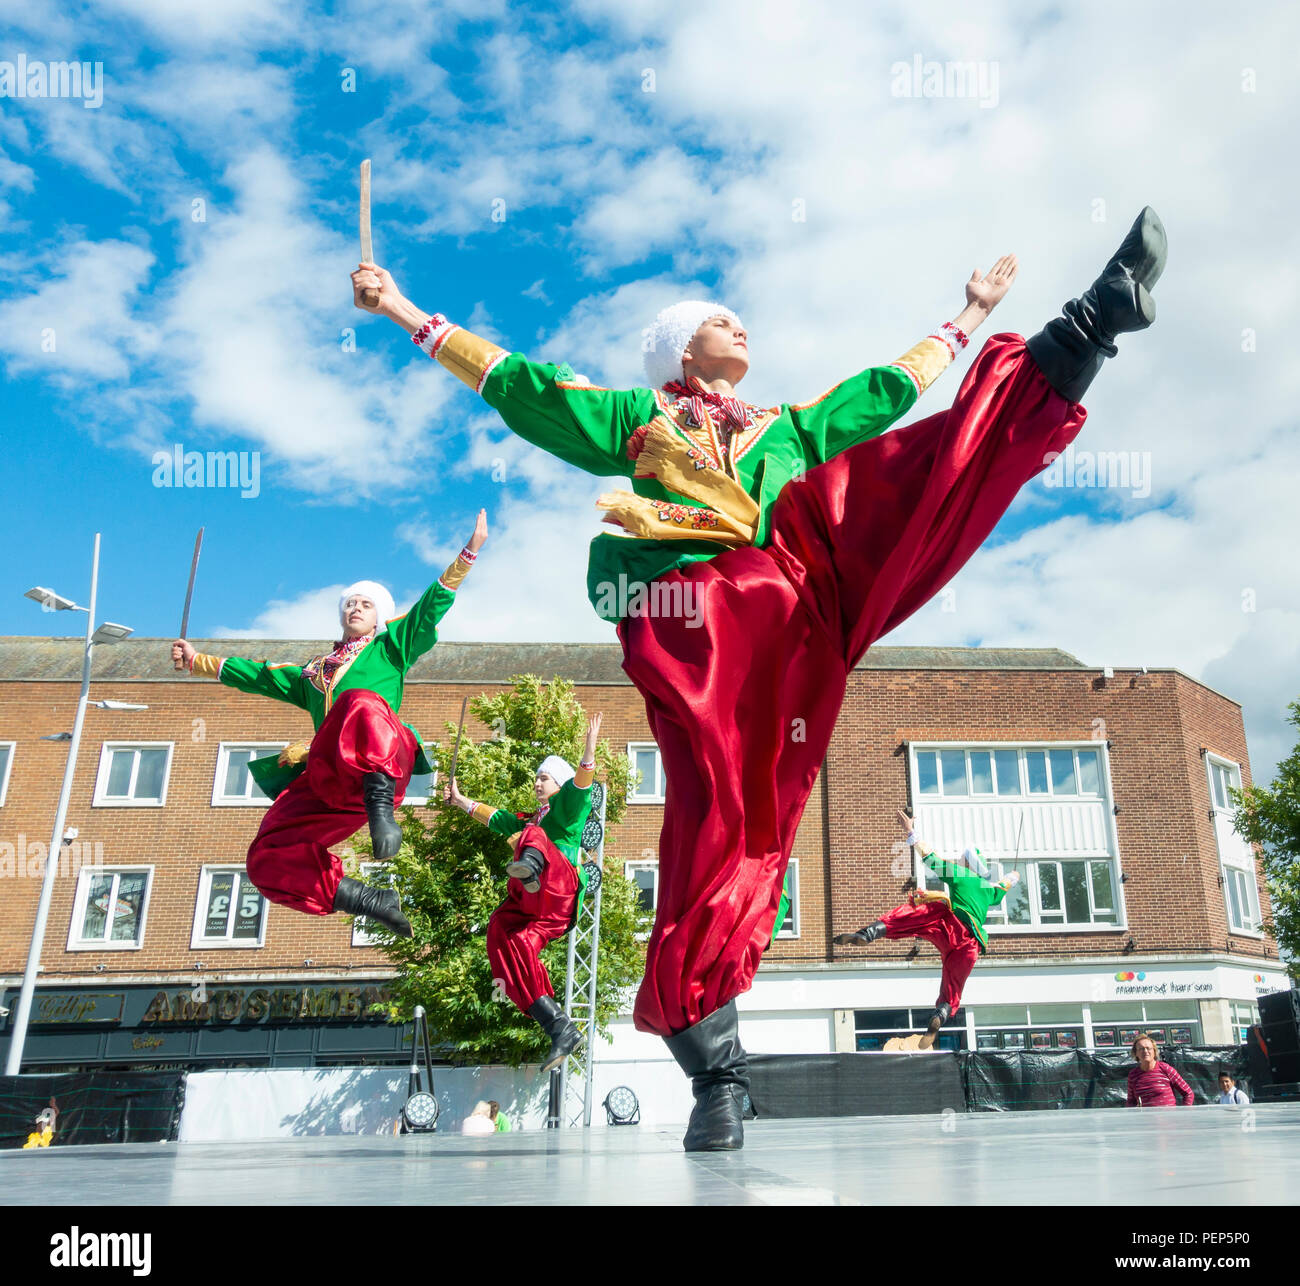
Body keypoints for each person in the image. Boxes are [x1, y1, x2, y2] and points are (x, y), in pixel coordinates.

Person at [353, 208, 1167, 1150]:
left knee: (914, 474)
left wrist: (967, 314)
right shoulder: (639, 417)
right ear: (679, 350)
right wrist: (403, 308)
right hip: (694, 623)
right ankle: (718, 1074)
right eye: (716, 319)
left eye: (738, 317)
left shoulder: (784, 428)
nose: (737, 325)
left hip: (797, 596)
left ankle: (1089, 328)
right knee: (730, 822)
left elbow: (881, 395)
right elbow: (520, 386)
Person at [172, 511, 488, 937]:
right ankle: (368, 899)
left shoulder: (391, 647)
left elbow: (428, 611)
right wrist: (198, 662)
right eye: (349, 604)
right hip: (331, 780)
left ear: (380, 619)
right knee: (267, 855)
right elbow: (263, 674)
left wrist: (468, 554)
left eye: (366, 603)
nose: (355, 607)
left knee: (359, 701)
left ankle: (380, 810)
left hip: (383, 764)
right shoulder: (315, 673)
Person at [443, 713, 602, 1073]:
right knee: (503, 933)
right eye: (536, 777)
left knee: (533, 835)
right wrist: (460, 800)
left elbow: (581, 786)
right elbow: (497, 818)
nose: (537, 782)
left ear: (558, 783)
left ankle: (531, 868)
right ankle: (558, 1025)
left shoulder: (565, 809)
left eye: (543, 777)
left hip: (560, 888)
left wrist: (588, 749)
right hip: (538, 913)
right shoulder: (534, 816)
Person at [834, 810, 1017, 1031]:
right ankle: (942, 1012)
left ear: (968, 862)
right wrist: (1013, 877)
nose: (958, 860)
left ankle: (870, 933)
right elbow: (1003, 887)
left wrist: (910, 830)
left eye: (961, 858)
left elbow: (932, 859)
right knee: (953, 982)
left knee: (919, 914)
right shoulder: (988, 890)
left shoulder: (961, 873)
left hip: (948, 927)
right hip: (970, 945)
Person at [1127, 1034, 1195, 1107]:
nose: (1145, 1051)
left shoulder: (1165, 1069)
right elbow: (1131, 1102)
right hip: (1144, 1118)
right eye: (1141, 1049)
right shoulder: (1133, 1075)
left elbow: (1188, 1093)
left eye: (1148, 1048)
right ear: (1136, 1053)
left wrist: (1184, 1113)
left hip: (1169, 1117)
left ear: (1154, 1051)